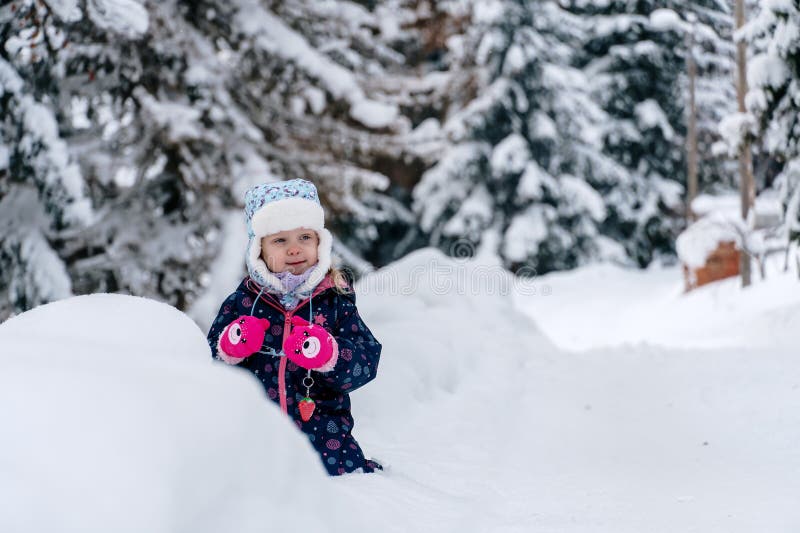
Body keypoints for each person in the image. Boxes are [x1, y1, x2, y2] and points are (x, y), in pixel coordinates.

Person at [207, 179, 383, 476]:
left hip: (327, 445)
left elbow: (367, 361)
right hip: (257, 442)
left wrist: (331, 355)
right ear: (258, 250)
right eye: (279, 240)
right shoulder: (243, 302)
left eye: (304, 237)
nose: (294, 249)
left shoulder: (335, 299)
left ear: (320, 243)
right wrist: (229, 346)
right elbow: (208, 365)